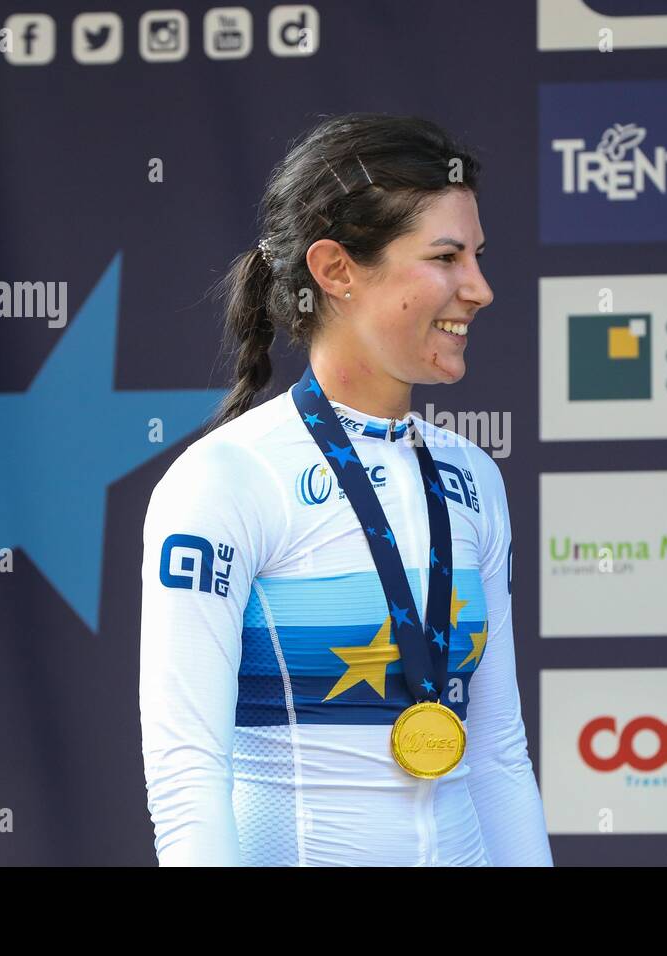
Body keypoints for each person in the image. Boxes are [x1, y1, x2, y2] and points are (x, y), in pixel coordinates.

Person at [138, 113, 553, 866]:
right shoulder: (226, 478)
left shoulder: (473, 478)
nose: (481, 289)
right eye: (447, 257)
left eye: (478, 257)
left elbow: (497, 755)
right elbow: (186, 772)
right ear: (335, 270)